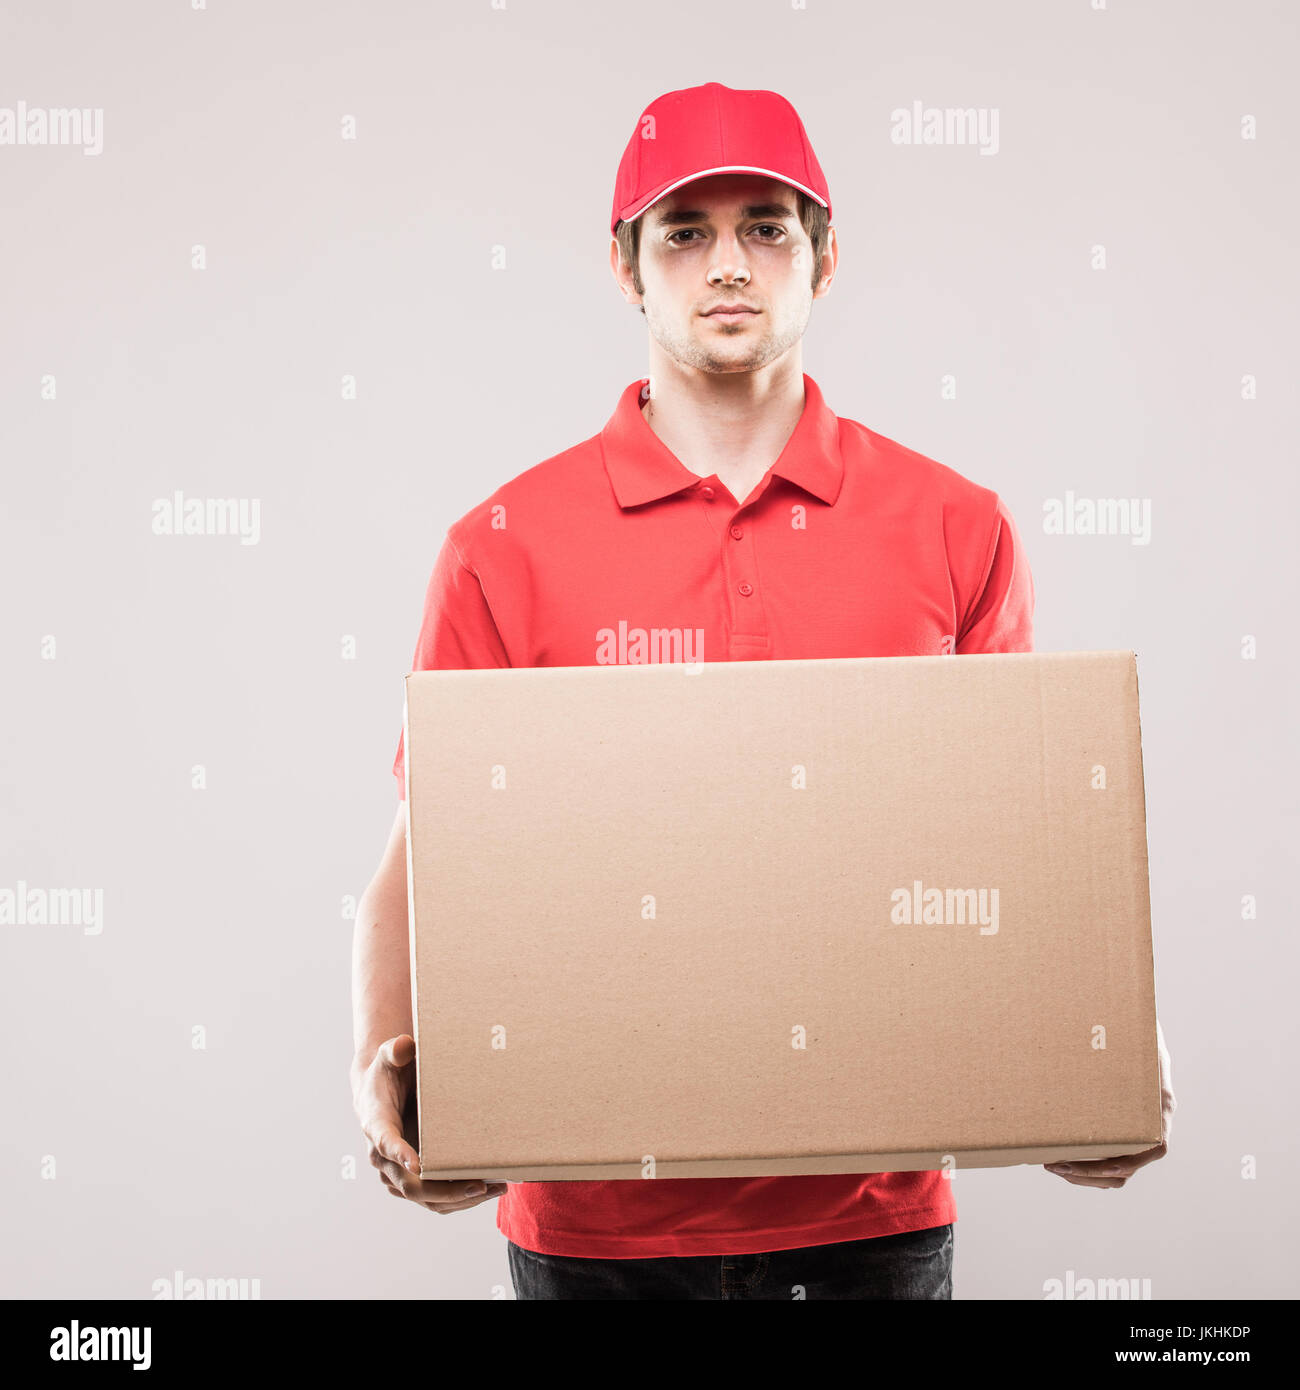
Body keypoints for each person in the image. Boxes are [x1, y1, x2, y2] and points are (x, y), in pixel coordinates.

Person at [350, 81, 1176, 1301]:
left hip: (868, 1218)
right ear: (627, 267)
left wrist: (1106, 1049)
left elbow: (1029, 833)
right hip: (592, 1226)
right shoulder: (502, 544)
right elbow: (428, 844)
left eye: (766, 228)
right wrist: (377, 1065)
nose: (725, 263)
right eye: (684, 231)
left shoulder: (954, 526)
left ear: (825, 258)